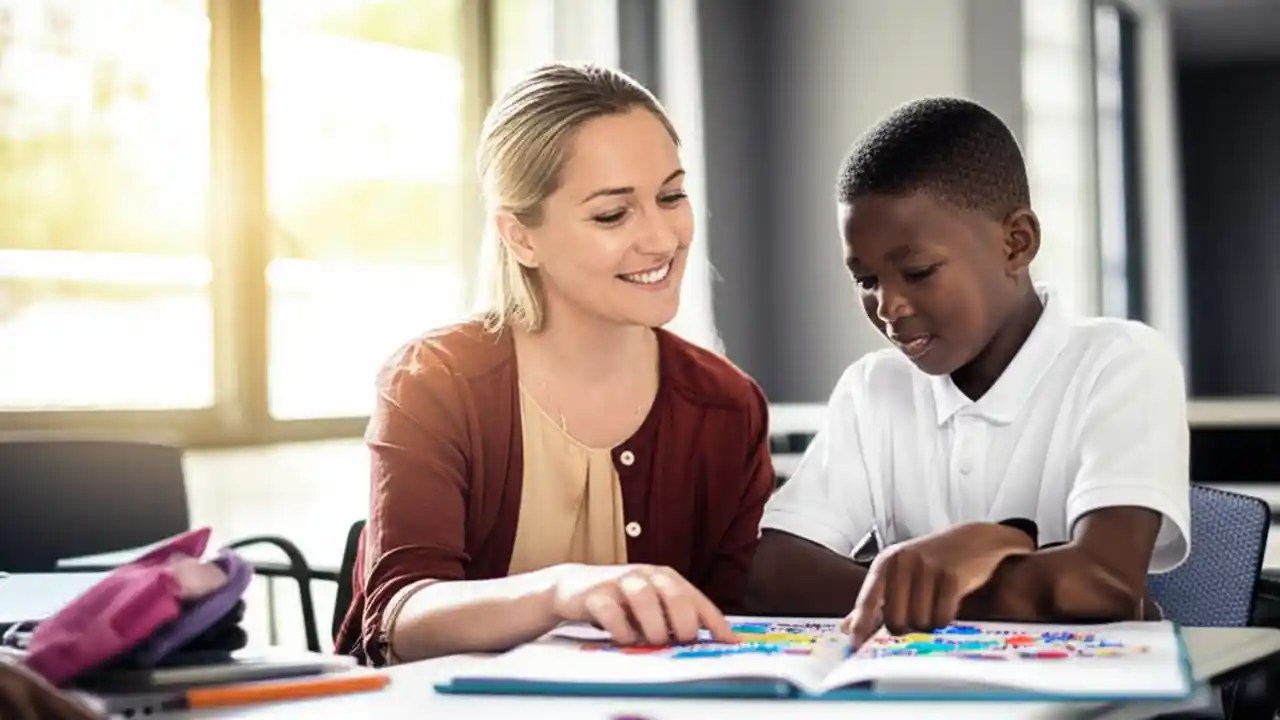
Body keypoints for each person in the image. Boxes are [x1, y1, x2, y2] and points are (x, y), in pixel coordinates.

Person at [334, 63, 774, 665]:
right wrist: (564, 591)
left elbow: (725, 628)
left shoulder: (727, 405)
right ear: (521, 237)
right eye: (613, 214)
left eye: (671, 196)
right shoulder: (436, 381)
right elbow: (399, 618)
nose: (662, 239)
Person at [745, 97, 1190, 647]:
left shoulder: (1121, 362)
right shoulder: (873, 388)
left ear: (1016, 243)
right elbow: (773, 574)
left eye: (918, 271)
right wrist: (978, 563)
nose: (888, 306)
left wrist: (938, 572)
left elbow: (1098, 585)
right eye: (866, 280)